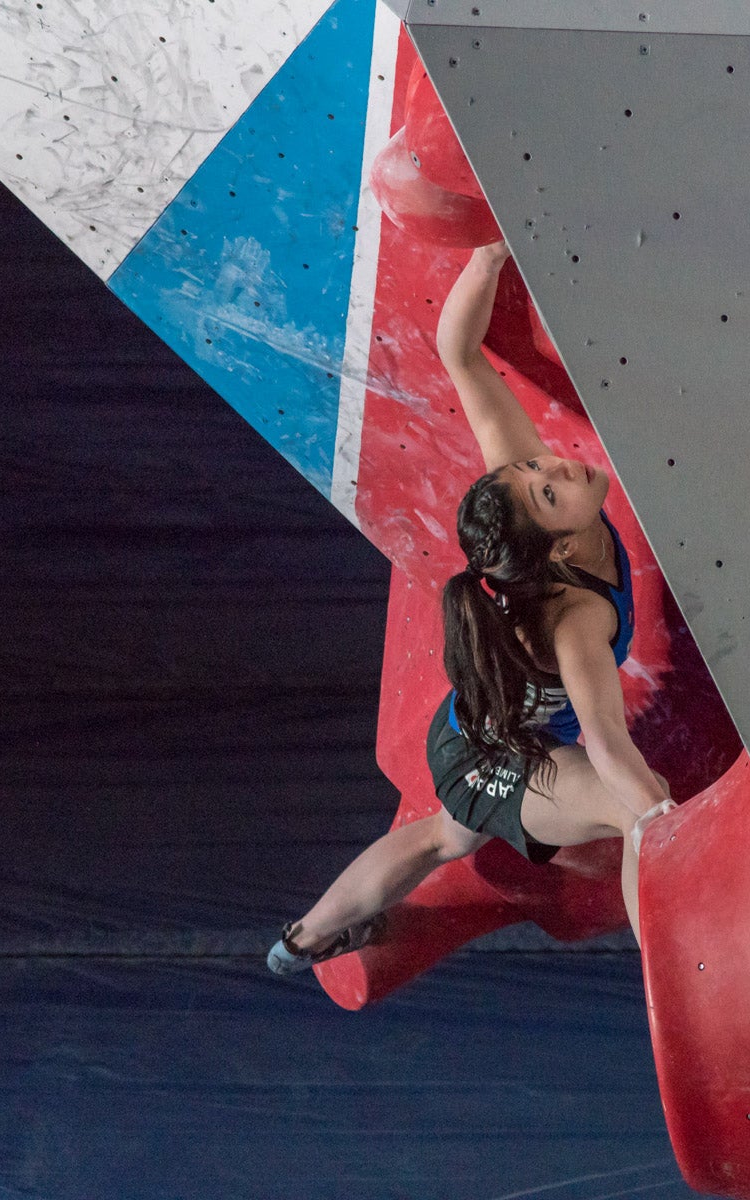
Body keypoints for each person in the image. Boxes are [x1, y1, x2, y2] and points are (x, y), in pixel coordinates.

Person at [268, 241, 675, 976]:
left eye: (536, 468)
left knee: (443, 840)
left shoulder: (523, 510)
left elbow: (459, 351)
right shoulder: (577, 618)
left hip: (464, 735)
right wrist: (663, 826)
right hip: (498, 761)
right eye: (546, 488)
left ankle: (300, 941)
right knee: (631, 811)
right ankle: (673, 982)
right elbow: (610, 749)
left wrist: (494, 252)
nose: (554, 465)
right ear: (554, 550)